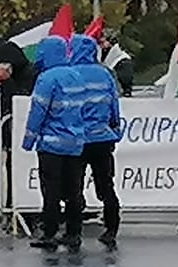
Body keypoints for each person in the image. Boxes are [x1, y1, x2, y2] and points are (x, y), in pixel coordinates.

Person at [21, 32, 118, 253]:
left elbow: (39, 110)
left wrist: (29, 140)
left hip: (54, 142)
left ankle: (51, 232)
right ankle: (83, 231)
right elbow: (100, 106)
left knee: (52, 189)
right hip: (80, 140)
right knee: (82, 187)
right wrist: (113, 128)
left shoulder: (47, 78)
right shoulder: (89, 75)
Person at [73, 34, 125, 249]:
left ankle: (73, 231)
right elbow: (114, 104)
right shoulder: (105, 75)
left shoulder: (70, 75)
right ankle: (112, 228)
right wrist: (113, 127)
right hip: (103, 137)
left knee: (74, 185)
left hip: (77, 138)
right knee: (106, 184)